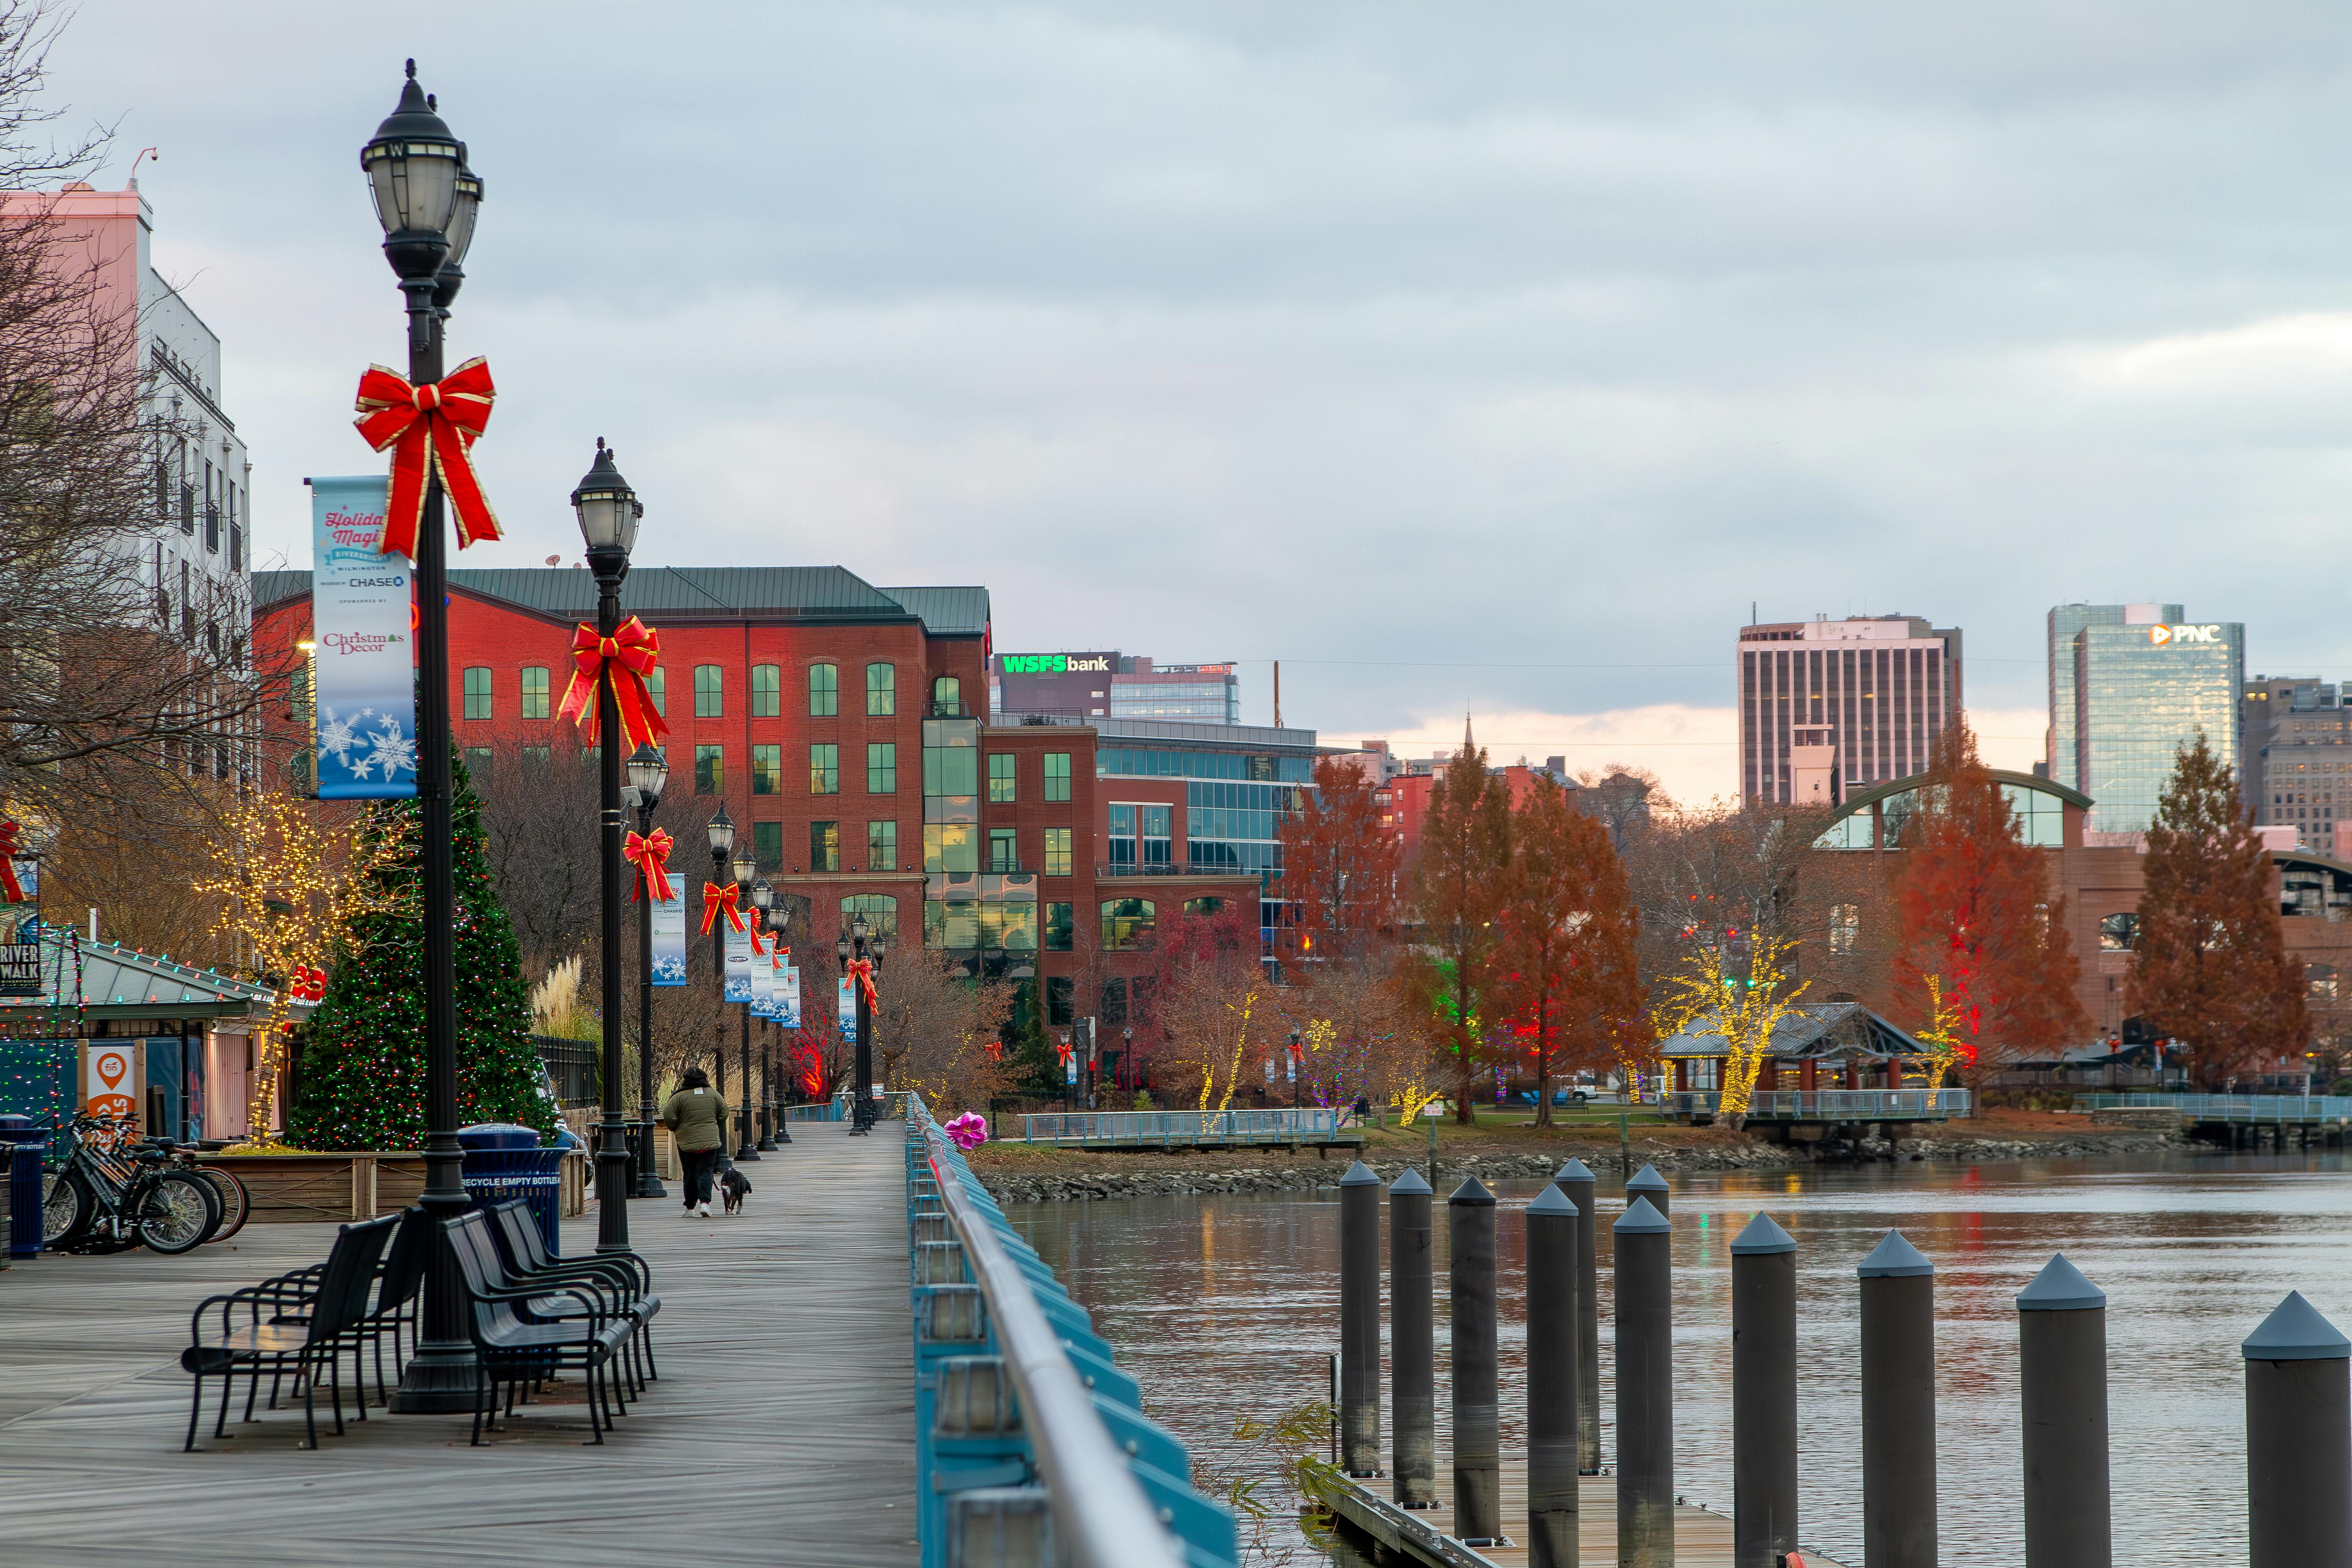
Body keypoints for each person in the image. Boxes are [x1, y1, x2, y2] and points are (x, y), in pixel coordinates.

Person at [661, 1066, 728, 1219]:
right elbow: (724, 1113)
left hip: (687, 1141)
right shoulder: (713, 1094)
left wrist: (676, 1127)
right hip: (710, 1141)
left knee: (689, 1173)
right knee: (706, 1172)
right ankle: (705, 1204)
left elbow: (669, 1117)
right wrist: (714, 1123)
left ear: (686, 1079)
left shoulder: (678, 1097)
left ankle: (690, 1207)